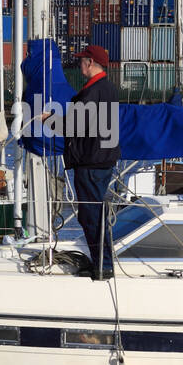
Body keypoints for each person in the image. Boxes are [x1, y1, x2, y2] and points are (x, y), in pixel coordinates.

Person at [63, 45, 120, 278]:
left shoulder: (92, 92)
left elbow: (75, 125)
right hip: (103, 160)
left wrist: (49, 120)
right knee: (93, 214)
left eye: (81, 61)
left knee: (91, 215)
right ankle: (101, 261)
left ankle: (103, 266)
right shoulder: (108, 89)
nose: (79, 66)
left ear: (90, 63)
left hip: (91, 162)